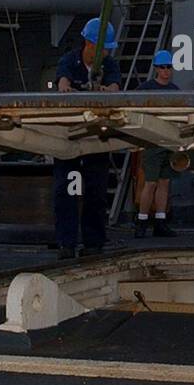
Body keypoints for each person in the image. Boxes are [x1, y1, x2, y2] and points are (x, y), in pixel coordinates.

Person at [53, 17, 120, 259]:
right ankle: (66, 243)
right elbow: (62, 80)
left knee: (96, 191)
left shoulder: (109, 65)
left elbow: (115, 88)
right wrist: (65, 88)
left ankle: (94, 241)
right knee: (66, 190)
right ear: (89, 44)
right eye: (102, 48)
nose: (104, 53)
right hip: (69, 138)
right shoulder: (69, 61)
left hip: (96, 139)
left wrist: (107, 91)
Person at [133, 49, 179, 238]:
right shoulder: (145, 89)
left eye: (168, 67)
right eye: (163, 67)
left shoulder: (175, 91)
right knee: (150, 183)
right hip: (152, 141)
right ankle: (142, 220)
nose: (166, 71)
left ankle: (160, 220)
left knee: (164, 182)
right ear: (156, 69)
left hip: (168, 141)